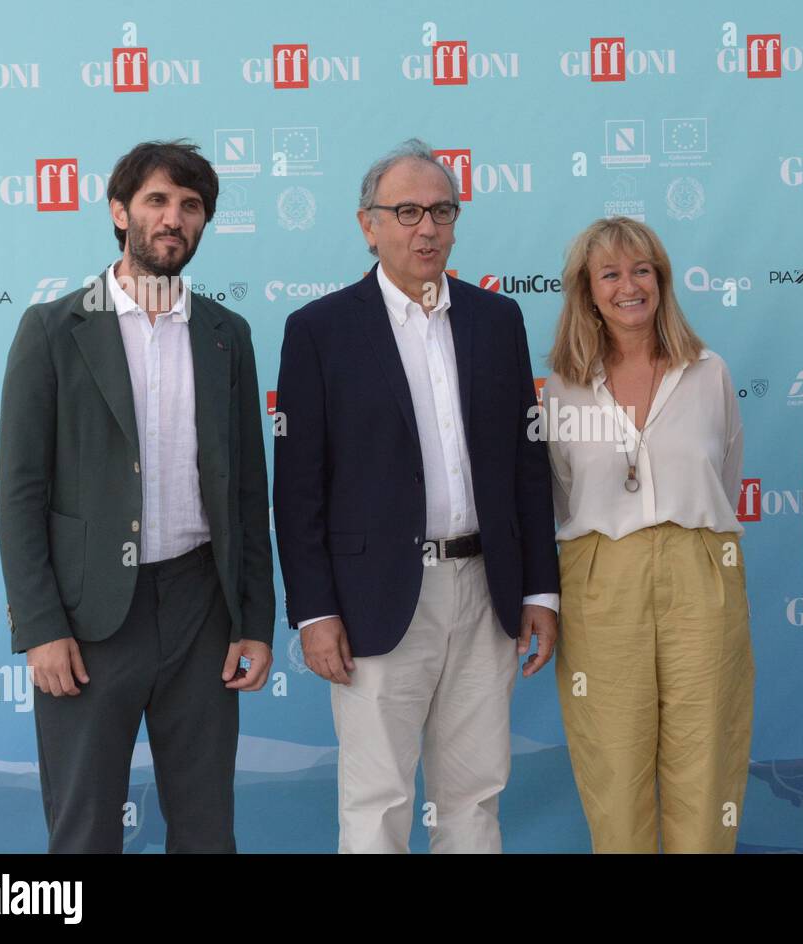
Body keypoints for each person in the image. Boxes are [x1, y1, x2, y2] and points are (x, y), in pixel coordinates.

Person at [273, 138, 559, 854]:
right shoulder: (318, 332)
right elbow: (297, 487)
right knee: (376, 803)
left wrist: (542, 594)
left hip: (487, 591)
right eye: (406, 212)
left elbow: (528, 465)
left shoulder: (499, 322)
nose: (425, 228)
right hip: (374, 598)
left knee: (475, 796)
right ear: (368, 225)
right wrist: (314, 611)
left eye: (441, 211)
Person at [0, 140, 275, 853]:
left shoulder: (226, 335)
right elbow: (20, 492)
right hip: (88, 620)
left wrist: (255, 620)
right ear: (120, 212)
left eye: (190, 206)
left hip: (201, 609)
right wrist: (40, 626)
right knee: (84, 827)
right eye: (156, 200)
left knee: (207, 825)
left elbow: (247, 490)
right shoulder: (54, 330)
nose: (173, 218)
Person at [542, 216, 754, 853]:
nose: (628, 286)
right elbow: (561, 492)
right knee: (613, 762)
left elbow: (725, 473)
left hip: (700, 567)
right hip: (601, 578)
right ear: (588, 289)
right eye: (610, 273)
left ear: (661, 281)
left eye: (642, 271)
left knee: (706, 755)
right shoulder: (563, 387)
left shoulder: (708, 372)